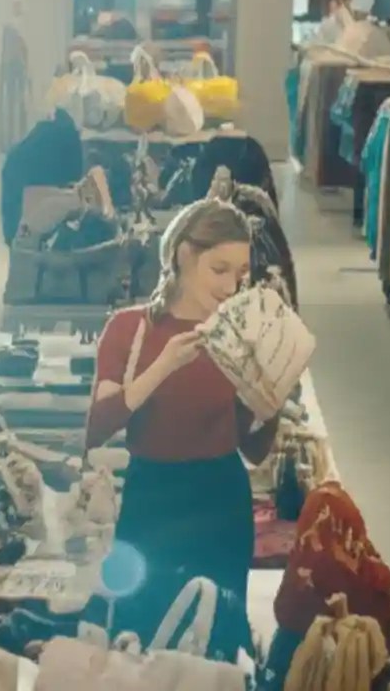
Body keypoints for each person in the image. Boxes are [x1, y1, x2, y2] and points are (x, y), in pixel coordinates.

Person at [84, 197, 278, 660]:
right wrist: (162, 366)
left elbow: (253, 450)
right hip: (152, 499)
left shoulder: (241, 335)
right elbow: (96, 428)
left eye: (241, 272)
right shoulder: (128, 329)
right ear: (183, 256)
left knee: (216, 645)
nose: (233, 285)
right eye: (220, 269)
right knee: (138, 639)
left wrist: (269, 403)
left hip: (222, 500)